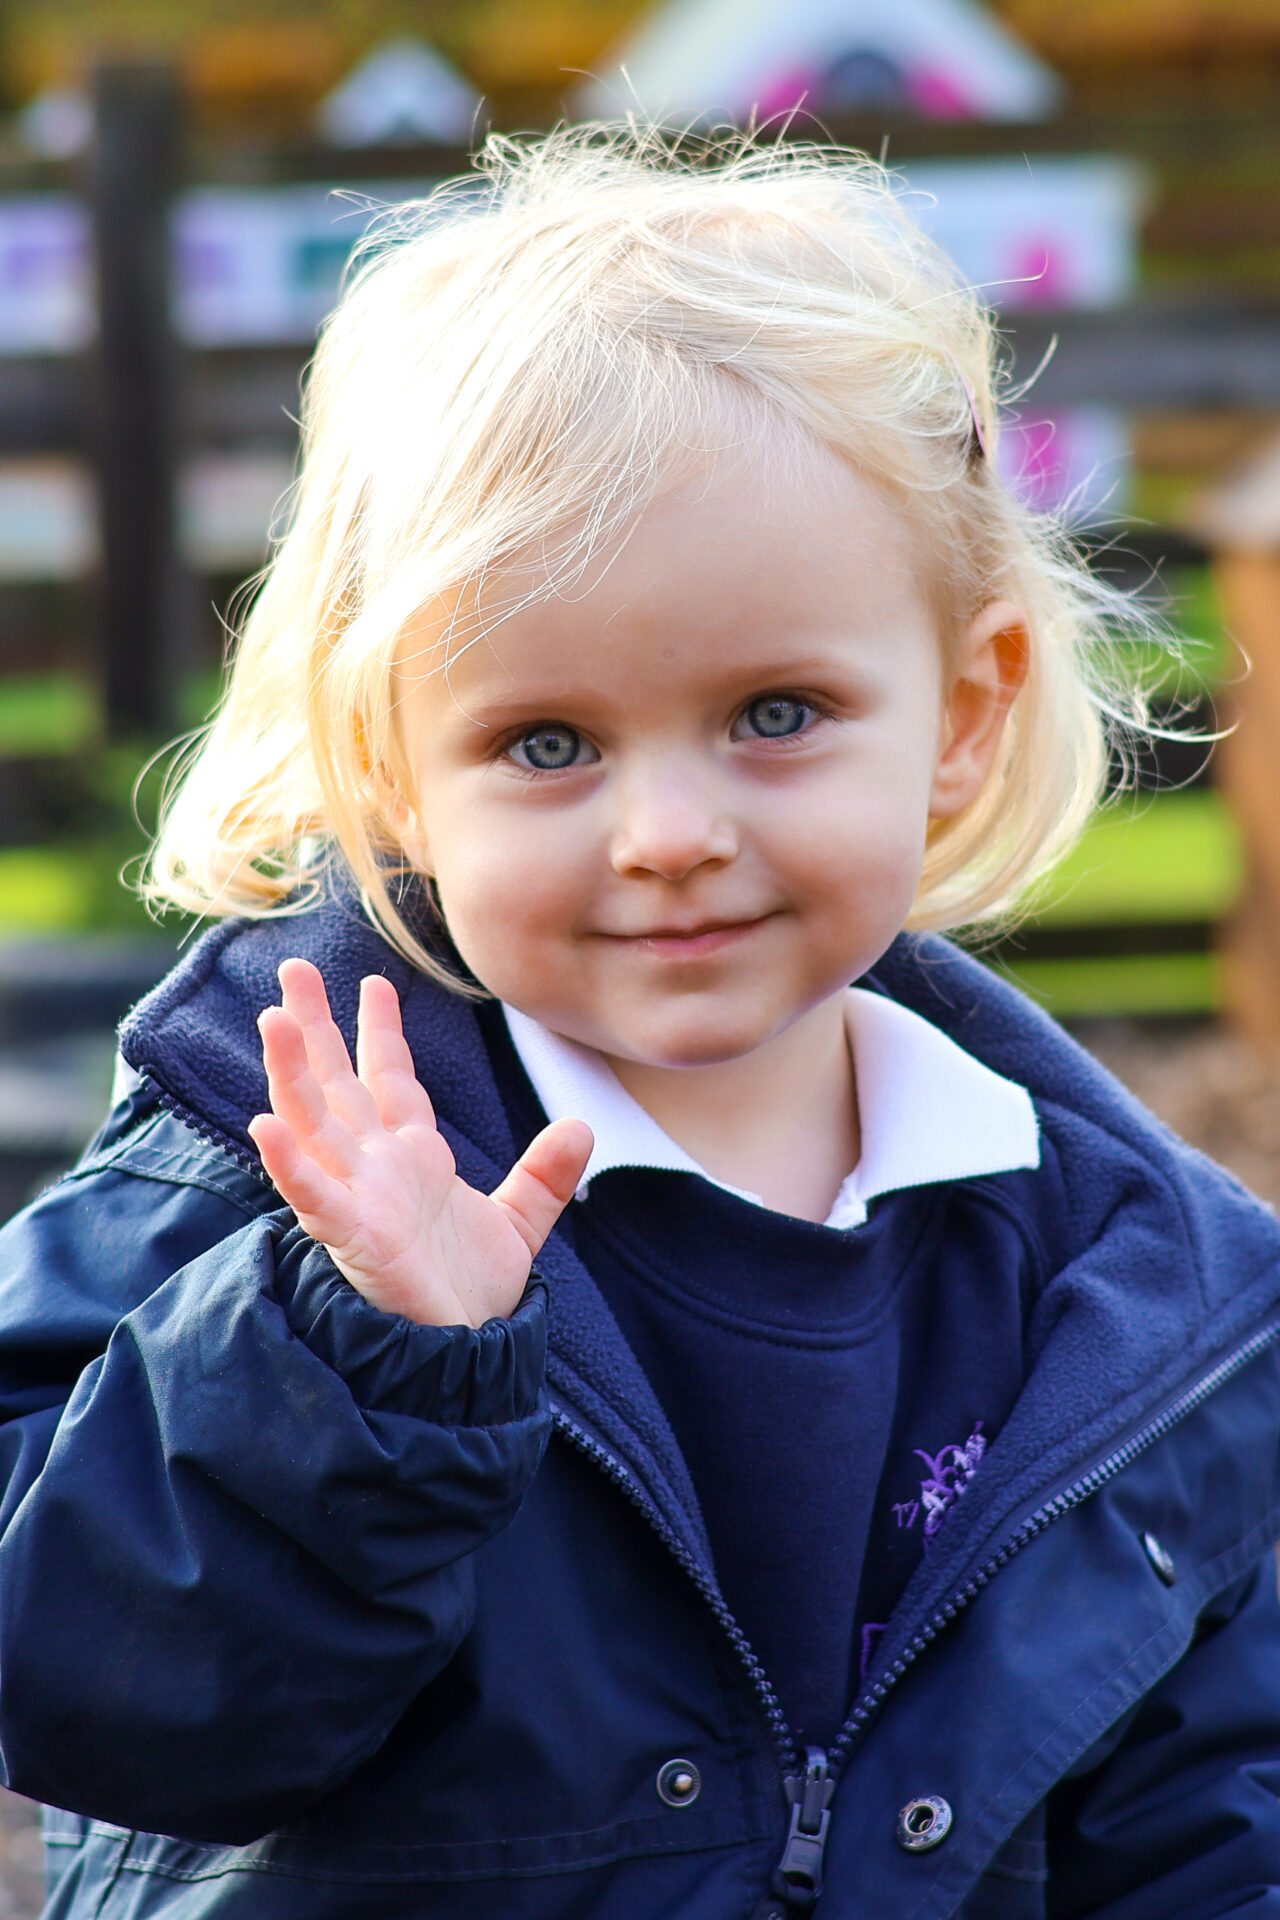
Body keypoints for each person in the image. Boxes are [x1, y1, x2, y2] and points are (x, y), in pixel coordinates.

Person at [2, 128, 1279, 1920]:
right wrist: (363, 1368)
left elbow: (1210, 1829)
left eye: (775, 711)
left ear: (967, 709)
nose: (669, 833)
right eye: (548, 743)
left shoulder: (1140, 1297)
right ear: (391, 766)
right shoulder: (281, 1167)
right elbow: (88, 1696)